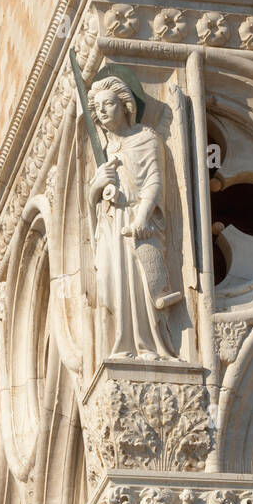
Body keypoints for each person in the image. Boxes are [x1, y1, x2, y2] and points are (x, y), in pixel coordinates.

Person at [86, 76, 179, 360]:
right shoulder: (105, 151)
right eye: (98, 107)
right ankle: (122, 343)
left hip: (140, 225)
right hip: (111, 226)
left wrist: (141, 216)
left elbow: (154, 181)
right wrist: (96, 187)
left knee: (140, 285)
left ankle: (147, 345)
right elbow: (94, 201)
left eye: (109, 104)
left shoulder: (145, 138)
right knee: (110, 286)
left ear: (125, 106)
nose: (102, 111)